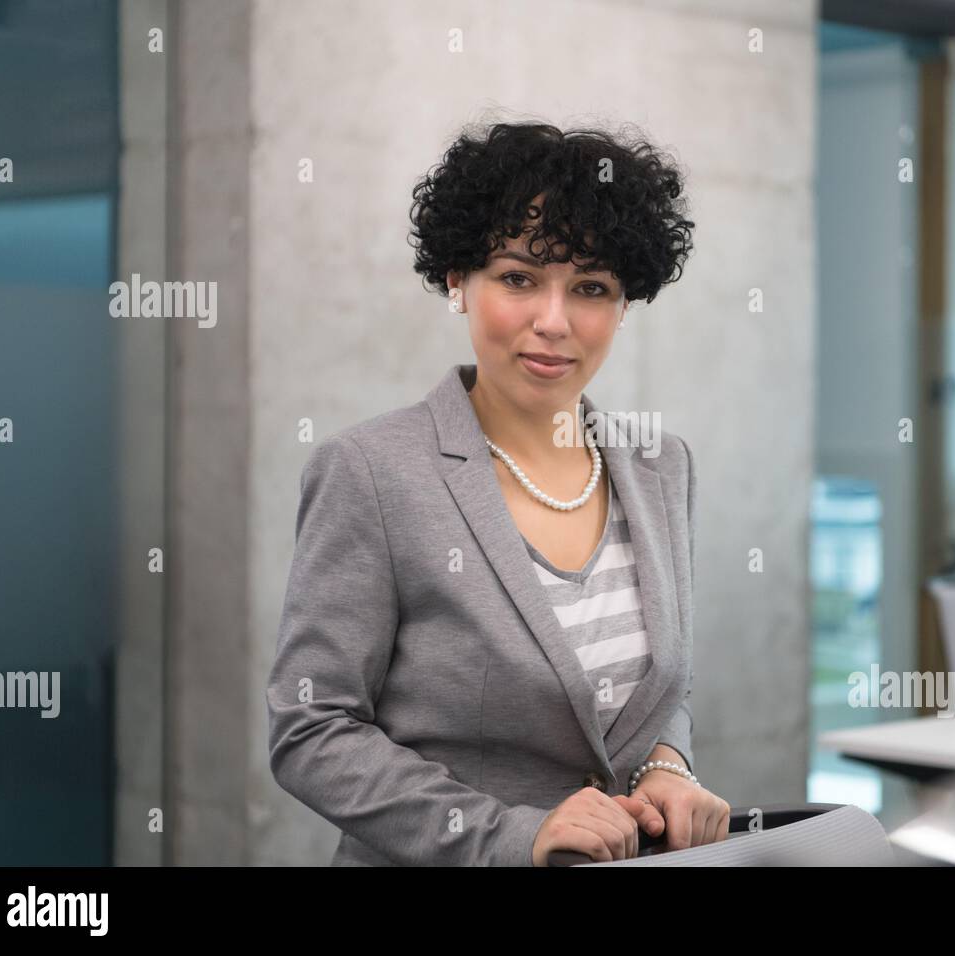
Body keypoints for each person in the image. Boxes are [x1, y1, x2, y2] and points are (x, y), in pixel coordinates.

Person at [267, 120, 729, 865]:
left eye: (590, 288)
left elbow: (658, 689)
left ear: (623, 303)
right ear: (458, 282)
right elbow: (312, 731)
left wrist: (668, 766)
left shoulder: (660, 465)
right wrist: (511, 836)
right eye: (518, 279)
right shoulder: (372, 471)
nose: (553, 321)